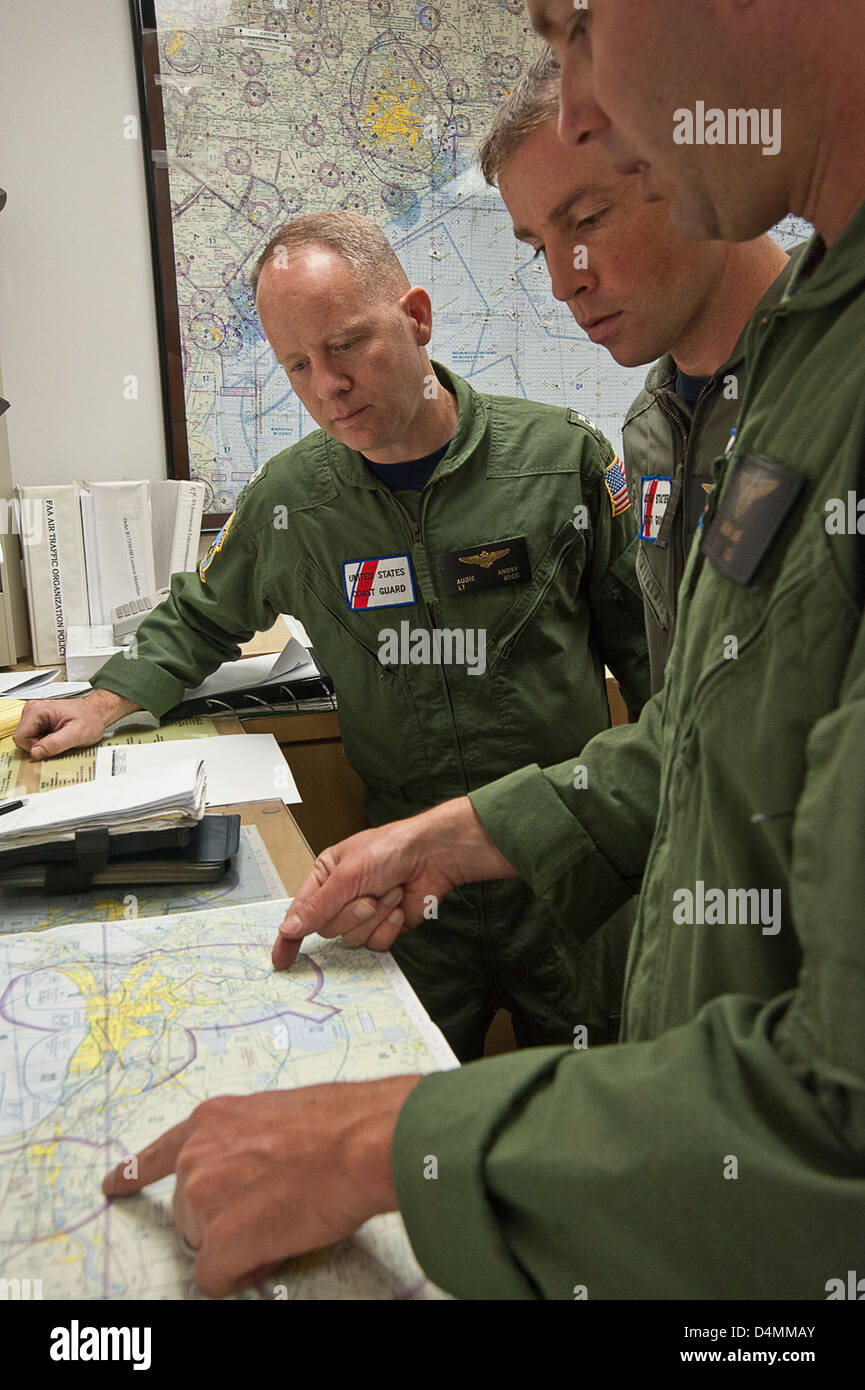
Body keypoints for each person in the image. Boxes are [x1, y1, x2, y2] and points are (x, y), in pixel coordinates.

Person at [103, 0, 865, 1300]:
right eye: (299, 366)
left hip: (622, 945)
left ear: (410, 318)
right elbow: (697, 733)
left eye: (574, 27)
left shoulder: (575, 452)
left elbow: (831, 1108)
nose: (577, 101)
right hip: (503, 890)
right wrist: (446, 831)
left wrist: (394, 1143)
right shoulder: (792, 361)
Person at [13, 211, 650, 1062]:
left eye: (347, 346)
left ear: (415, 317)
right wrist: (102, 701)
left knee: (591, 1104)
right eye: (297, 365)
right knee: (403, 1094)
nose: (326, 387)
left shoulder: (559, 460)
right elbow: (202, 616)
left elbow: (652, 656)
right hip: (403, 884)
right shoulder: (293, 500)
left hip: (563, 873)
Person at [480, 46, 795, 690]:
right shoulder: (651, 429)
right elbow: (681, 721)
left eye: (588, 220)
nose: (563, 282)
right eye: (541, 246)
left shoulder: (837, 383)